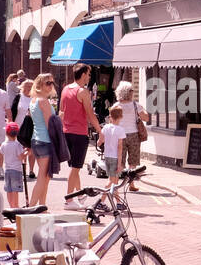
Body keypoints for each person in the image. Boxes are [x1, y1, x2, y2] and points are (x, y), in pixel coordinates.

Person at [58, 64, 102, 205]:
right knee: (76, 168)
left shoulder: (65, 89)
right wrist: (101, 131)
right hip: (79, 134)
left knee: (74, 168)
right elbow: (90, 114)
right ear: (83, 74)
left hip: (67, 133)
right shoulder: (83, 92)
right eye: (88, 74)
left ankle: (79, 195)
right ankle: (69, 199)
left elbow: (61, 113)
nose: (89, 77)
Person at [28, 73, 58, 207]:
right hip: (45, 140)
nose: (51, 85)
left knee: (45, 177)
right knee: (42, 177)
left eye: (52, 82)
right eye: (47, 83)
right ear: (40, 84)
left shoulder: (34, 100)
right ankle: (32, 206)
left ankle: (42, 206)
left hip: (36, 140)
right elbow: (49, 125)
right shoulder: (43, 101)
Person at [114, 81, 150, 192]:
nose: (132, 93)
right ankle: (131, 183)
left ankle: (115, 183)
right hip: (134, 135)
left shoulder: (116, 106)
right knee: (133, 161)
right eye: (131, 91)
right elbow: (146, 118)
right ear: (128, 92)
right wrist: (143, 110)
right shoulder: (136, 105)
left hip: (120, 136)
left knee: (120, 161)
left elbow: (112, 122)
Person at [98, 104, 129, 187]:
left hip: (107, 156)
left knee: (114, 182)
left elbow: (100, 142)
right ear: (121, 117)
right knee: (112, 181)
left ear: (110, 116)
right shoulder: (121, 130)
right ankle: (102, 198)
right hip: (115, 158)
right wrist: (119, 164)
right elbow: (120, 147)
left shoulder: (106, 127)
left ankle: (117, 200)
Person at [0, 122, 25, 209]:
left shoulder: (4, 144)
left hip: (7, 170)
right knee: (15, 190)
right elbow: (20, 157)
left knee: (9, 189)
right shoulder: (17, 145)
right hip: (16, 170)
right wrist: (27, 153)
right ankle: (16, 206)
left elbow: (1, 152)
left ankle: (11, 206)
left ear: (6, 133)